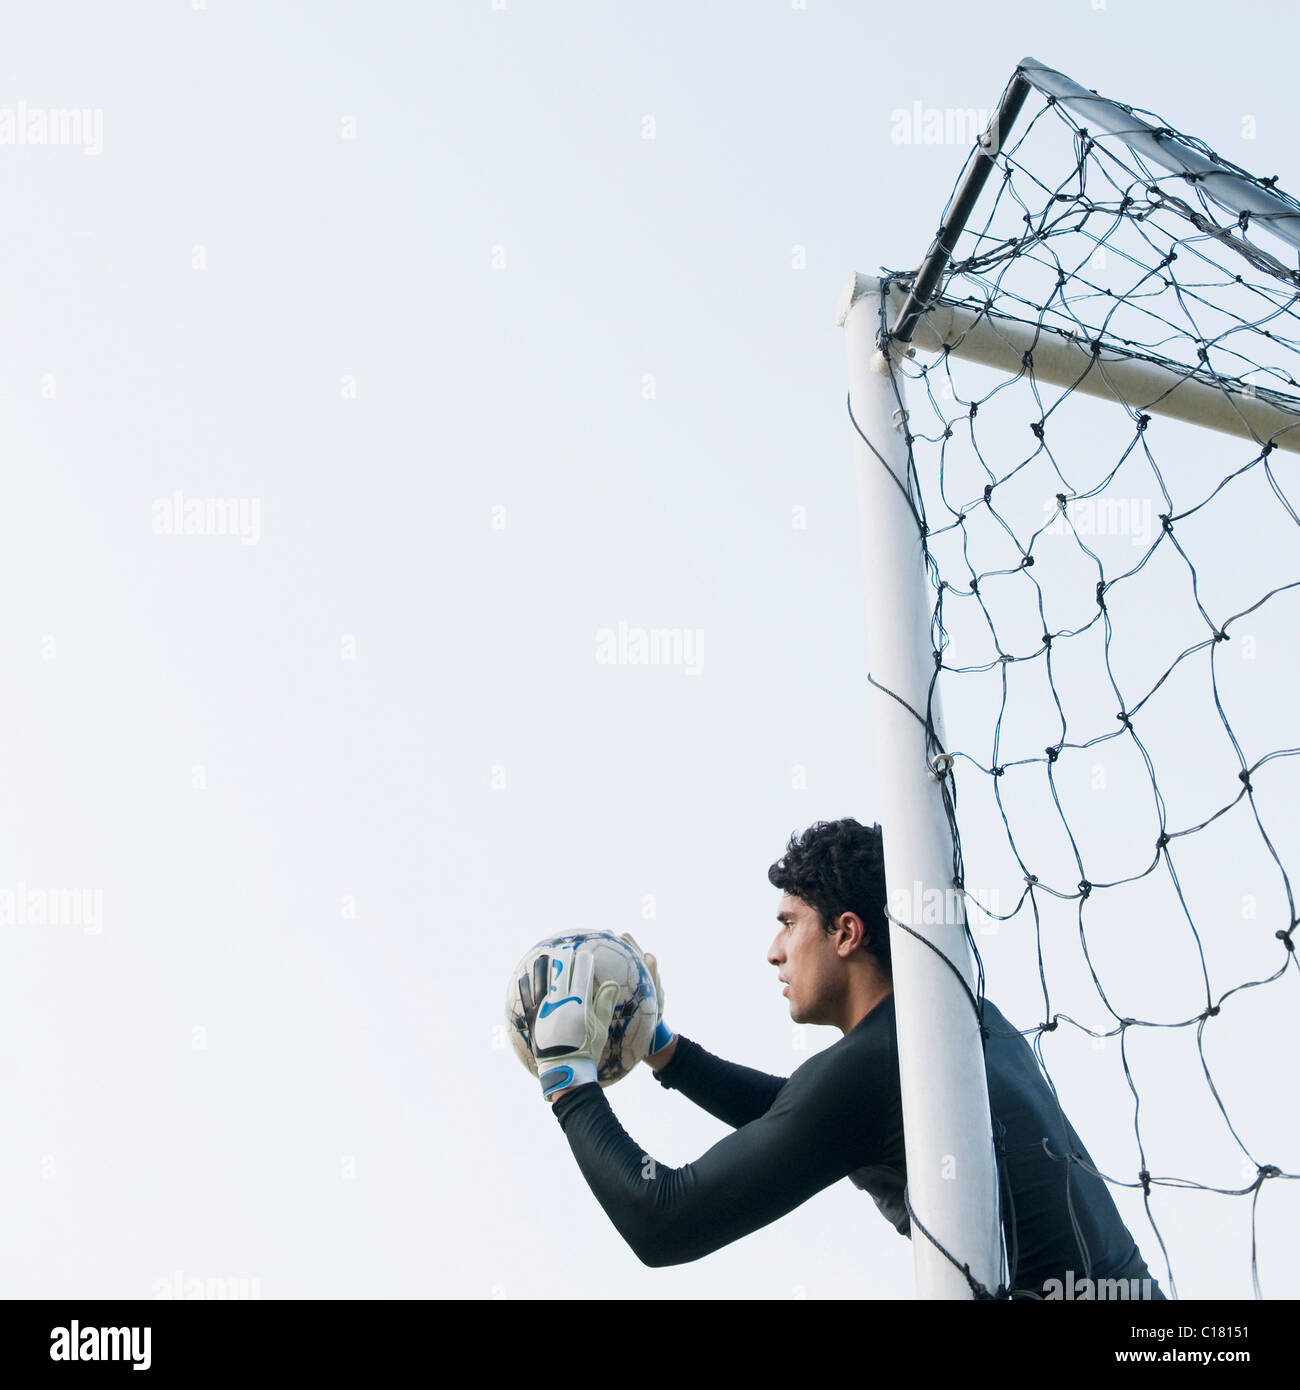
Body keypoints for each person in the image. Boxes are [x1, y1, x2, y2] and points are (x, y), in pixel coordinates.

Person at [531, 817, 1166, 1300]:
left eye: (789, 923)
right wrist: (667, 1053)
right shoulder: (959, 1018)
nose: (773, 951)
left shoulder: (872, 1068)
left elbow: (663, 1220)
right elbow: (798, 1111)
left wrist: (567, 1076)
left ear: (846, 933)